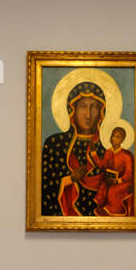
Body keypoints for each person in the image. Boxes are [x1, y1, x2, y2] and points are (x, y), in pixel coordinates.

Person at [40, 82, 110, 217]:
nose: (88, 115)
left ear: (102, 112)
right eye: (83, 107)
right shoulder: (55, 145)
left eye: (94, 107)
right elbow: (44, 188)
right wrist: (70, 179)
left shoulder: (106, 150)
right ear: (72, 110)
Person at [92, 126, 134, 216]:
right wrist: (94, 154)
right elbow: (102, 165)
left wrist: (117, 181)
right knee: (102, 185)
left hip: (124, 182)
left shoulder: (127, 155)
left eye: (117, 137)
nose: (114, 139)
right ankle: (100, 207)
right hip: (111, 180)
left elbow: (129, 175)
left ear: (122, 140)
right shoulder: (108, 152)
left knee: (112, 190)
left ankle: (113, 210)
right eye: (113, 136)